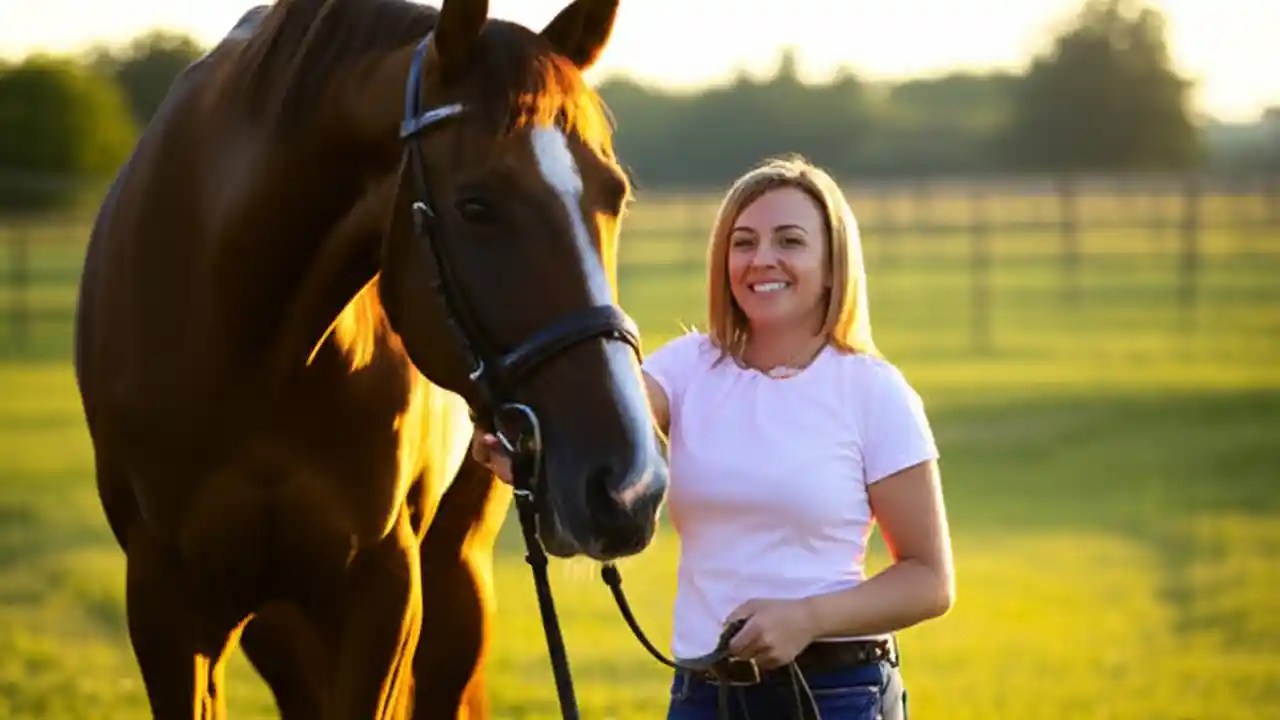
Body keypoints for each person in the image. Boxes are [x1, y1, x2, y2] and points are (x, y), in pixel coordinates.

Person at [473, 155, 954, 719]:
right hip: (705, 692)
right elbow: (601, 424)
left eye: (790, 241)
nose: (762, 259)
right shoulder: (685, 370)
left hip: (837, 693)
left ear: (832, 265)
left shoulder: (874, 392)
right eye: (743, 242)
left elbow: (928, 580)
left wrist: (807, 618)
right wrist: (529, 449)